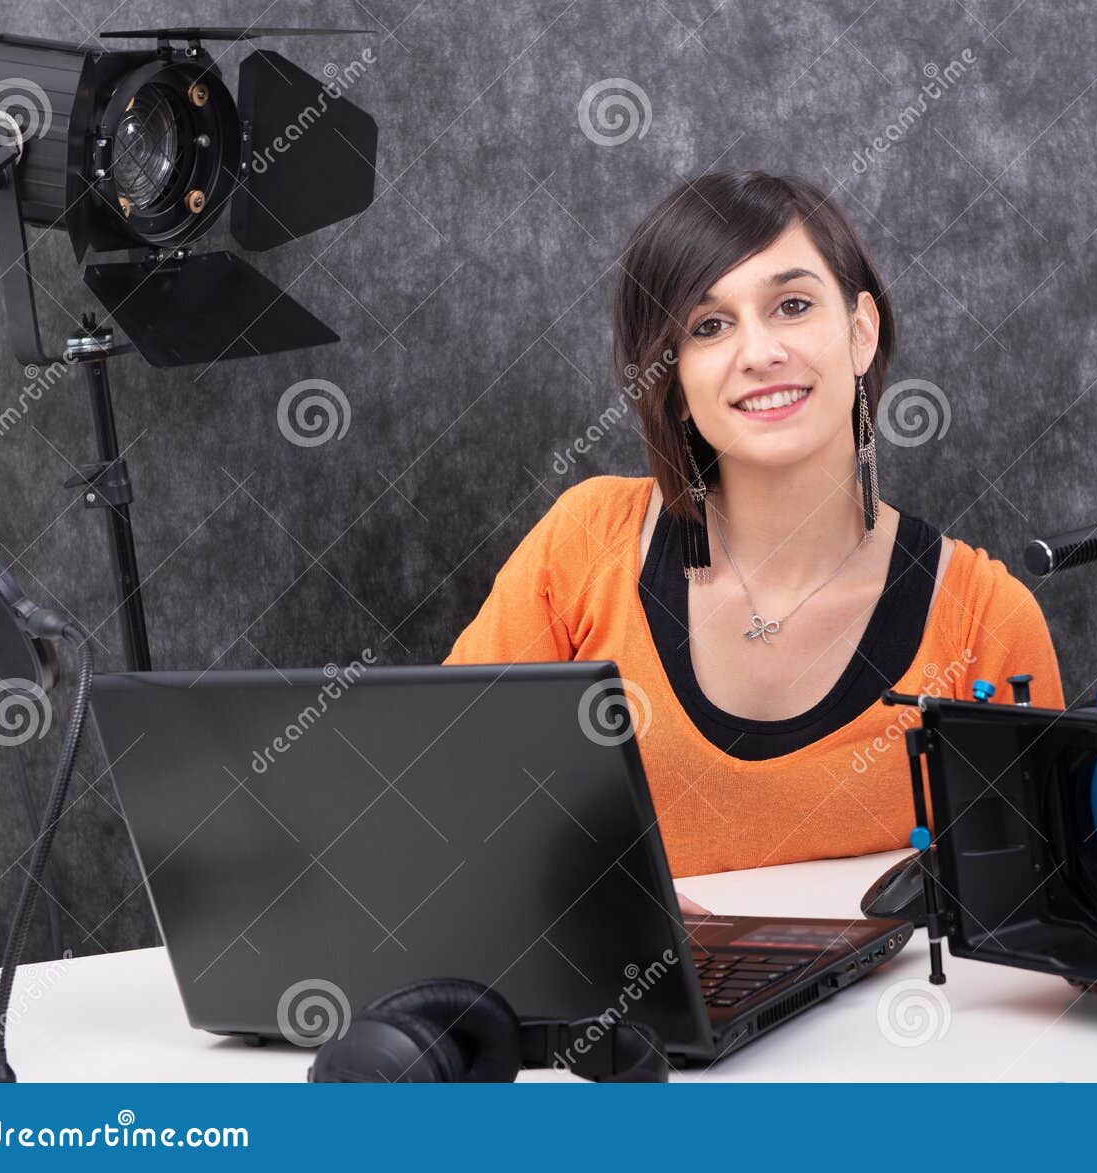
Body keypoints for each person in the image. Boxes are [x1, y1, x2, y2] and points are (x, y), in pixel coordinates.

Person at [445, 170, 1063, 913]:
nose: (758, 351)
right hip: (638, 1025)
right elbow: (445, 819)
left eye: (792, 306)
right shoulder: (581, 548)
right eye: (708, 326)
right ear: (669, 379)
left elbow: (1038, 922)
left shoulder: (987, 621)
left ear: (860, 331)